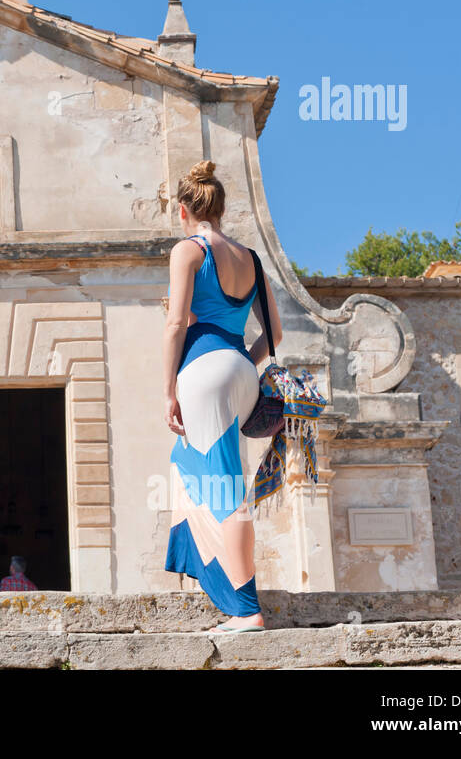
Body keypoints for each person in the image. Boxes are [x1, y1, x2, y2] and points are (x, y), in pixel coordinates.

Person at [161, 161, 282, 634]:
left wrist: (167, 389)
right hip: (241, 372)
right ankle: (232, 593)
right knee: (201, 471)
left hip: (202, 373)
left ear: (184, 210)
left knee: (225, 490)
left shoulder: (187, 251)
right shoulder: (250, 257)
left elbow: (175, 325)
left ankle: (246, 609)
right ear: (222, 208)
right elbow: (274, 334)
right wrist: (240, 364)